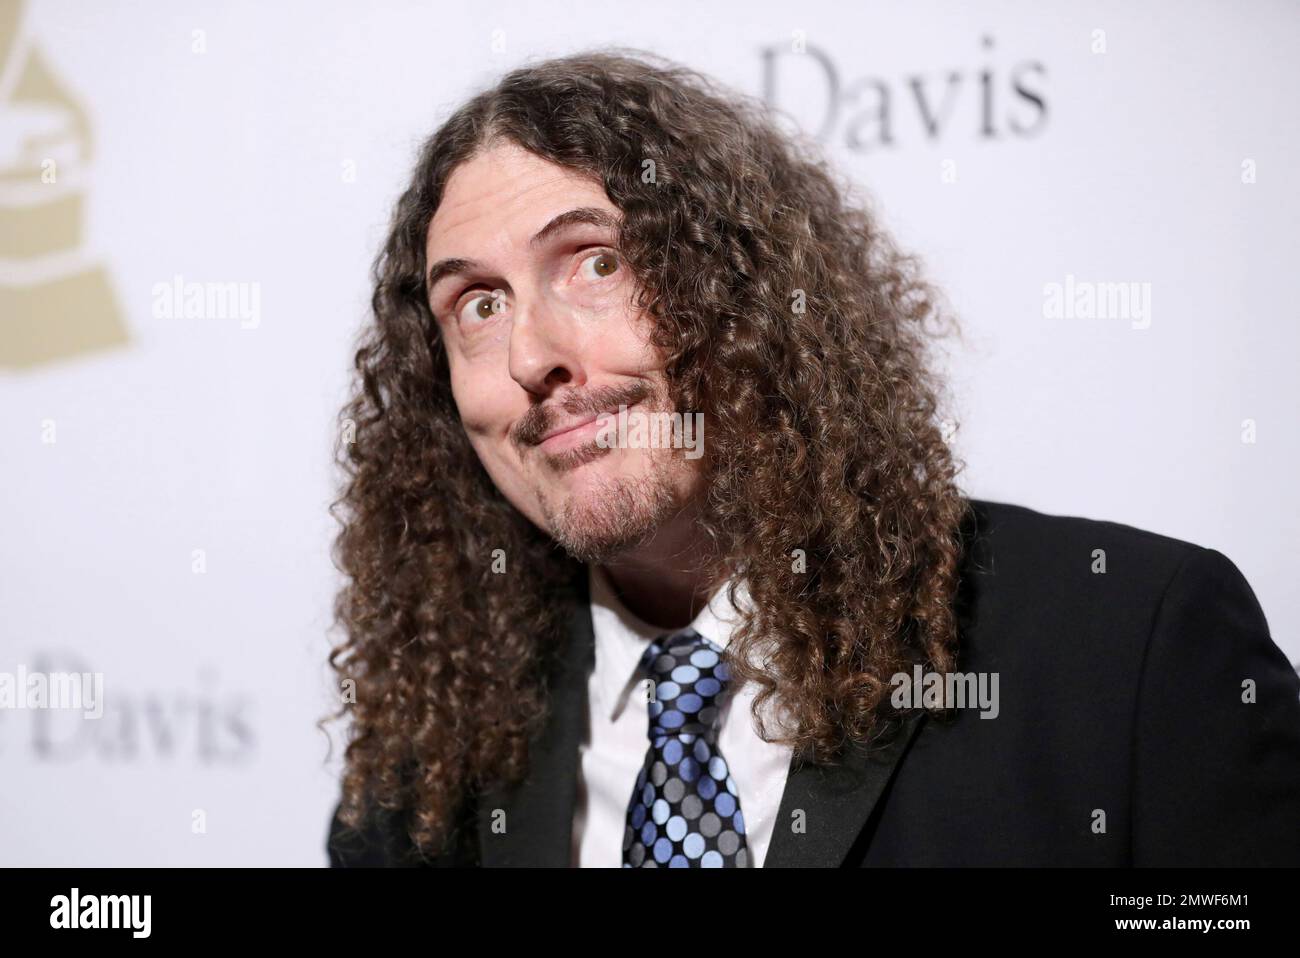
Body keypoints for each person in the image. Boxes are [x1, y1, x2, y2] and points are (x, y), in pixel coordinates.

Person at [323, 50, 1300, 868]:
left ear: (743, 291)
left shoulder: (1129, 651)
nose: (532, 354)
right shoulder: (428, 774)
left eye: (596, 261)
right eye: (478, 305)